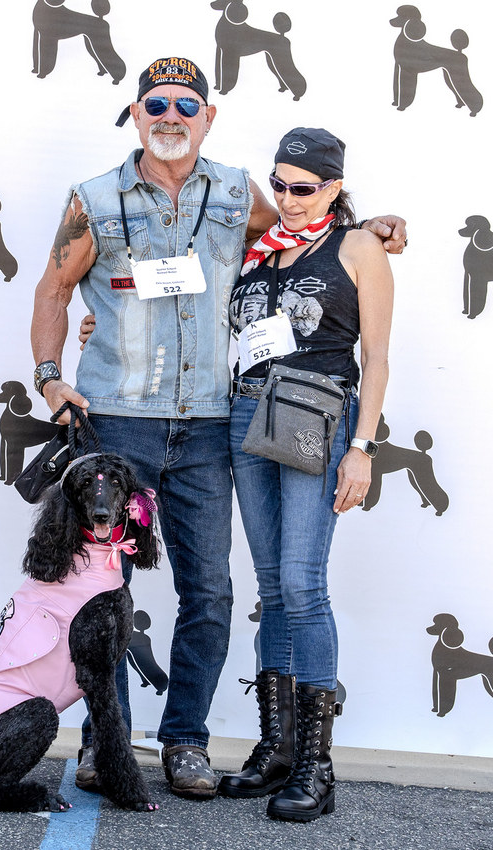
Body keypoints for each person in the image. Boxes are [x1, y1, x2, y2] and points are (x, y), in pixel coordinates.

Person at [30, 58, 405, 800]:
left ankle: (185, 743)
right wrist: (49, 374)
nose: (171, 116)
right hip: (119, 421)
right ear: (135, 112)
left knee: (212, 593)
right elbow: (54, 287)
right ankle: (103, 745)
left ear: (208, 116)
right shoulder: (94, 199)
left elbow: (315, 230)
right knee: (105, 592)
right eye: (156, 104)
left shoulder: (241, 193)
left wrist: (377, 227)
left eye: (186, 105)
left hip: (211, 425)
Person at [218, 127, 393, 822]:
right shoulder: (257, 248)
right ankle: (277, 748)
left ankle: (317, 764)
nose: (287, 199)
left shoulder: (358, 247)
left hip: (314, 414)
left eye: (304, 187)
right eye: (280, 183)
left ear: (334, 187)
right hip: (244, 413)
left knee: (302, 582)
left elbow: (376, 356)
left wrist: (364, 447)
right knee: (271, 587)